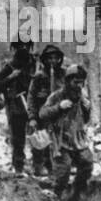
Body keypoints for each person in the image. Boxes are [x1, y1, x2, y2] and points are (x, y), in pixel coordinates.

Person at [39, 63, 94, 201]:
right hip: (61, 140)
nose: (78, 85)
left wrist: (87, 108)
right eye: (75, 82)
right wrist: (59, 107)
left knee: (87, 164)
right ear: (68, 81)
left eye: (81, 82)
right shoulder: (56, 96)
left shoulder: (82, 96)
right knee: (63, 171)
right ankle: (56, 199)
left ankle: (76, 196)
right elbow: (42, 114)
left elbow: (86, 119)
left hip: (78, 139)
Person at [0, 39, 36, 173]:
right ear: (14, 48)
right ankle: (19, 167)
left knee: (40, 135)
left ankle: (39, 165)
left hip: (34, 104)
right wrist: (11, 77)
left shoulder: (36, 64)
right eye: (19, 46)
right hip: (16, 106)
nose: (23, 48)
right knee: (18, 139)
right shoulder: (9, 67)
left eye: (26, 46)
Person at [28, 44, 66, 176]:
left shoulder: (64, 75)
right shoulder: (39, 77)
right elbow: (31, 98)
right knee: (42, 141)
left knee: (62, 141)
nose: (53, 61)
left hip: (60, 114)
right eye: (49, 59)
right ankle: (40, 167)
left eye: (56, 58)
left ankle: (61, 167)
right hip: (42, 115)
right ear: (45, 60)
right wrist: (32, 117)